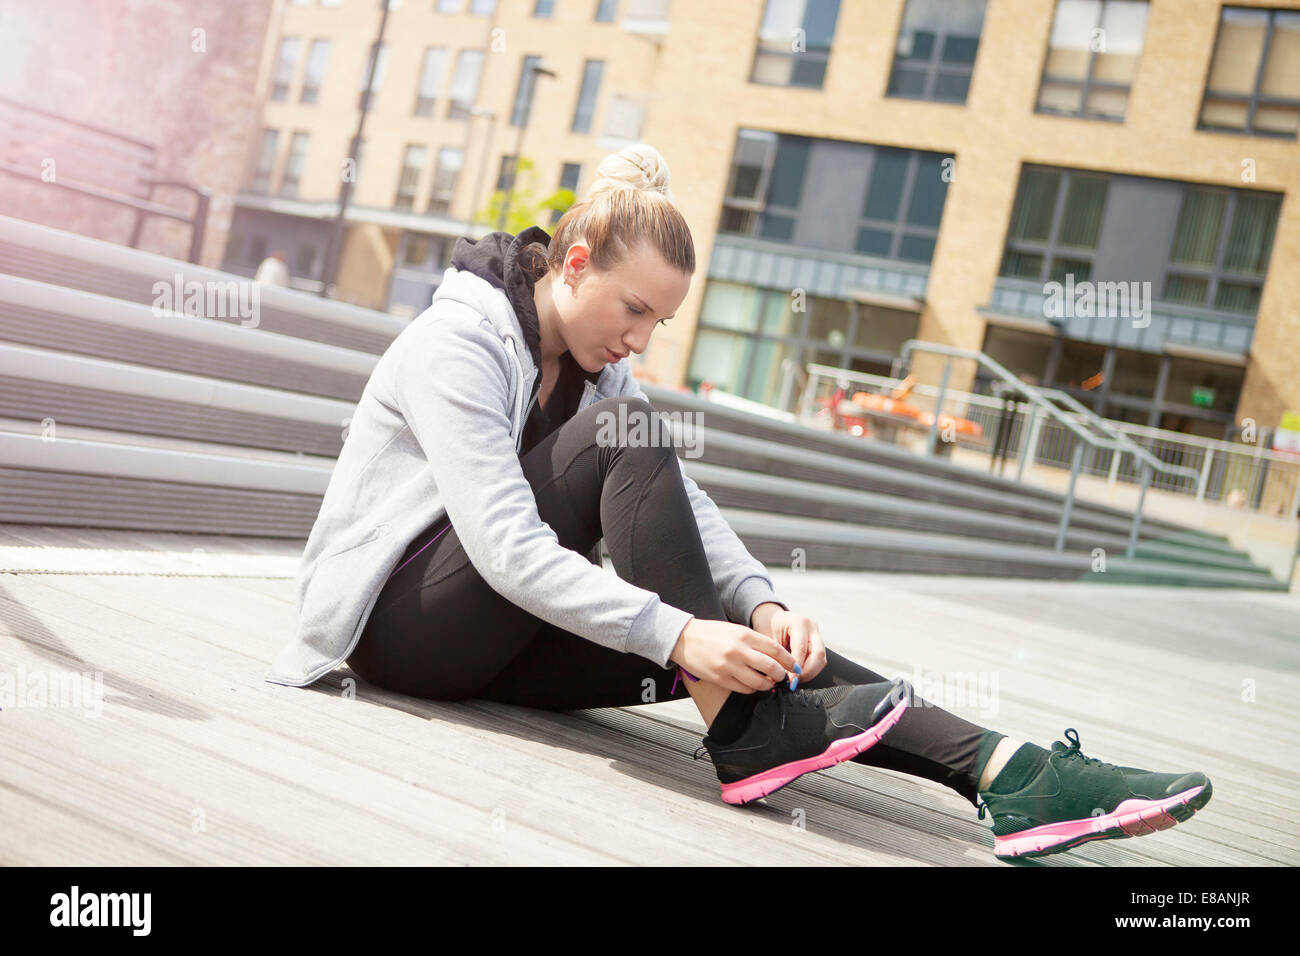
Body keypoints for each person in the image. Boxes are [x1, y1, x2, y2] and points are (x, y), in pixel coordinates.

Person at [264, 143, 1212, 860]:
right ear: (576, 260)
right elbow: (506, 547)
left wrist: (755, 601)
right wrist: (678, 634)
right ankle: (752, 736)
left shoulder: (598, 372)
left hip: (503, 641)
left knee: (747, 648)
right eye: (632, 310)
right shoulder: (457, 345)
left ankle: (1010, 773)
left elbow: (679, 503)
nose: (639, 339)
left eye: (659, 323)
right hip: (397, 631)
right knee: (650, 526)